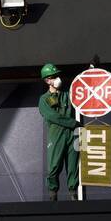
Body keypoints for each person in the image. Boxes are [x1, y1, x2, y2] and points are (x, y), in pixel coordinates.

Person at [38, 62, 80, 201]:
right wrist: (73, 123)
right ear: (47, 80)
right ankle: (52, 195)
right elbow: (52, 116)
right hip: (56, 134)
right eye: (53, 76)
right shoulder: (43, 99)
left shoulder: (67, 95)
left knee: (73, 165)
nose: (57, 78)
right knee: (53, 166)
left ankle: (74, 193)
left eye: (57, 75)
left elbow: (83, 90)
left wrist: (91, 68)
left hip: (73, 135)